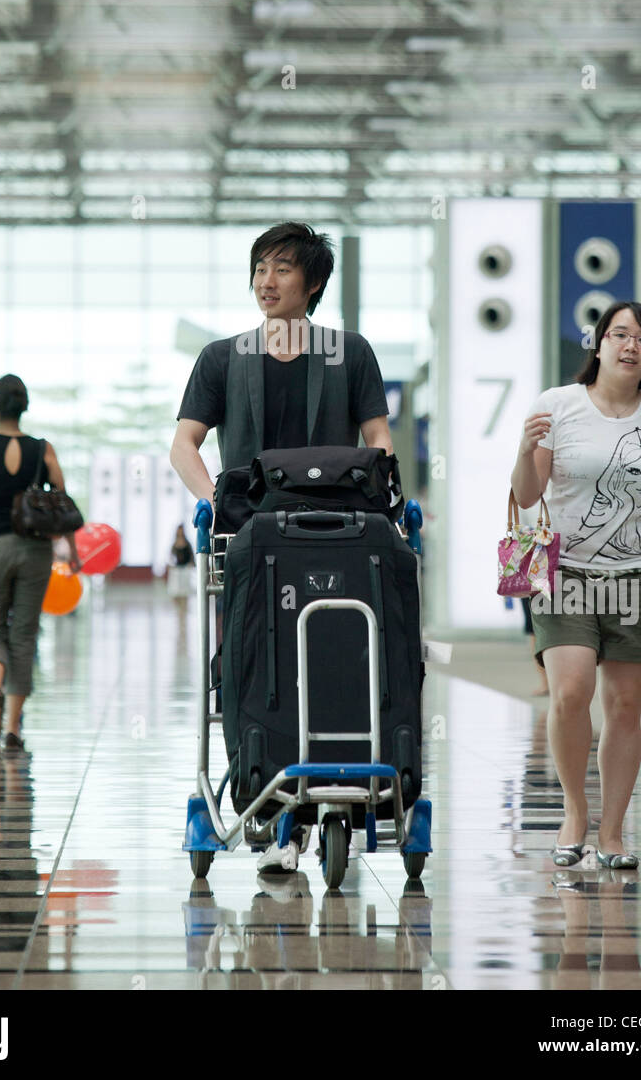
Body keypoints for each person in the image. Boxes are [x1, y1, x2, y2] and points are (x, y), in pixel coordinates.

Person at [170, 222, 393, 873]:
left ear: (314, 282)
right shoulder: (223, 358)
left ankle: (327, 800)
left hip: (338, 538)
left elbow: (378, 434)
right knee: (256, 660)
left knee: (334, 660)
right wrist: (213, 497)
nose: (268, 280)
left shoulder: (349, 354)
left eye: (284, 268)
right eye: (261, 267)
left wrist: (384, 493)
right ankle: (270, 807)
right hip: (252, 540)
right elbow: (185, 442)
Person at [511, 301, 641, 870]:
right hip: (565, 573)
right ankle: (576, 812)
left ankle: (614, 831)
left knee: (624, 707)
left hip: (637, 576)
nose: (629, 345)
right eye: (618, 334)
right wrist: (525, 451)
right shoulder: (558, 406)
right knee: (570, 693)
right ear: (597, 346)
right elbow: (526, 496)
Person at [0, 375, 80, 754]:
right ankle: (12, 728)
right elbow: (63, 503)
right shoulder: (44, 450)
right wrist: (71, 551)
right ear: (23, 408)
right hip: (33, 556)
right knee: (24, 635)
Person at [167, 524, 194, 612]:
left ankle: (184, 609)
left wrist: (191, 564)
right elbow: (170, 557)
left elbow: (191, 557)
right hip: (176, 571)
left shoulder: (187, 544)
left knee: (185, 592)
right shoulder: (174, 545)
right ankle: (179, 609)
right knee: (175, 592)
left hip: (185, 571)